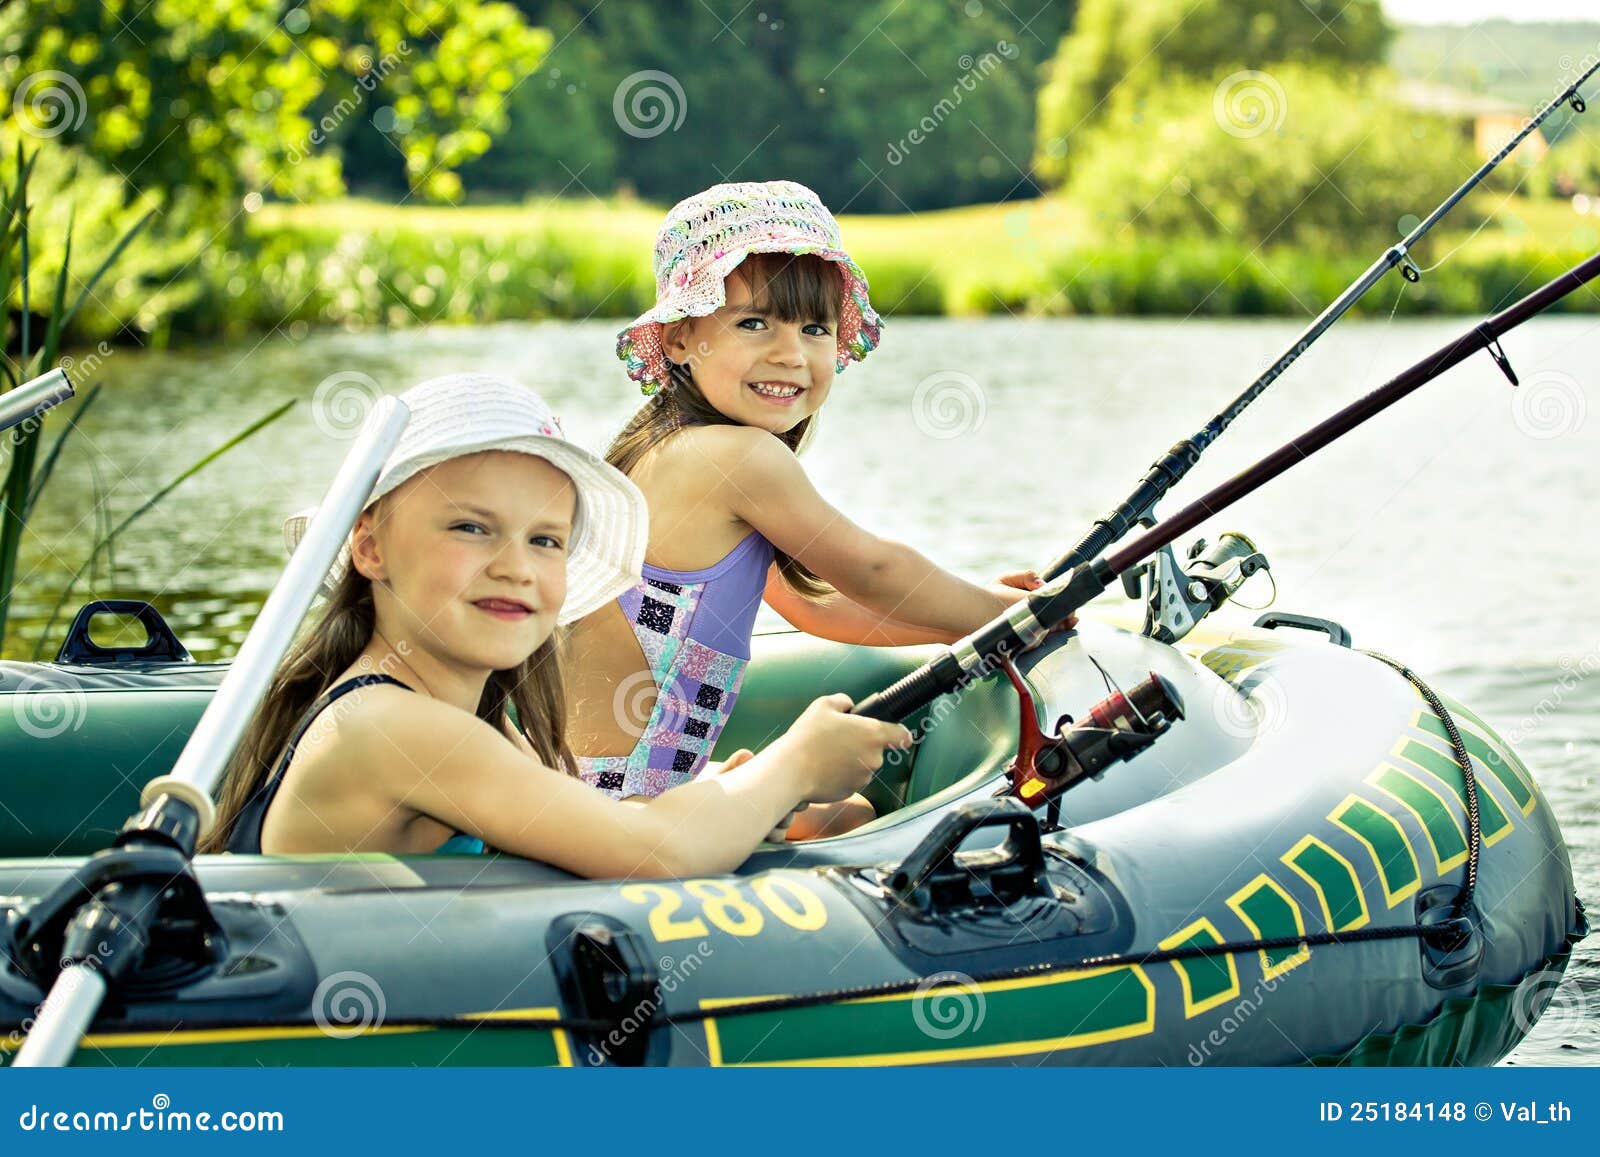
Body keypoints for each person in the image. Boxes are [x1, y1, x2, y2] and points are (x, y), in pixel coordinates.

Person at [202, 372, 909, 877]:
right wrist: (795, 764)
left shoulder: (460, 712)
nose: (516, 566)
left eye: (545, 540)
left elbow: (609, 821)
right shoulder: (393, 726)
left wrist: (735, 792)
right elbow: (655, 854)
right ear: (370, 547)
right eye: (471, 526)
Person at [567, 181, 1049, 838]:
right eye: (754, 322)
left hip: (604, 785)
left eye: (814, 327)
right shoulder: (735, 458)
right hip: (622, 810)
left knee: (843, 814)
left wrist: (967, 617)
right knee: (847, 821)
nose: (790, 353)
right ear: (680, 340)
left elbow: (815, 602)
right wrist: (1012, 617)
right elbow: (872, 570)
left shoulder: (657, 448)